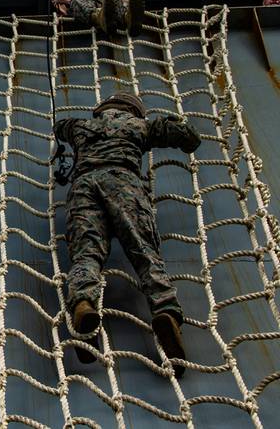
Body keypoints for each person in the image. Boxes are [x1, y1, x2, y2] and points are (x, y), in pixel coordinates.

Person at [54, 92, 201, 378]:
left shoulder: (80, 126)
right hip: (123, 183)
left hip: (84, 186)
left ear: (101, 110)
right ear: (134, 111)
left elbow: (59, 126)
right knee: (144, 252)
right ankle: (166, 312)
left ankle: (83, 304)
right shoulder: (141, 126)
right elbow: (188, 136)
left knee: (86, 254)